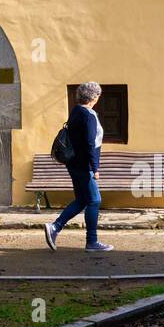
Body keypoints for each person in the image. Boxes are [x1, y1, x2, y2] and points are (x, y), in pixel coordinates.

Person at [44, 81, 114, 252]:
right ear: (94, 97)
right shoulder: (88, 115)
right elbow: (90, 143)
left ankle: (55, 227)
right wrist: (95, 168)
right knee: (94, 201)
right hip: (84, 166)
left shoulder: (76, 111)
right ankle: (92, 242)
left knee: (82, 200)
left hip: (74, 164)